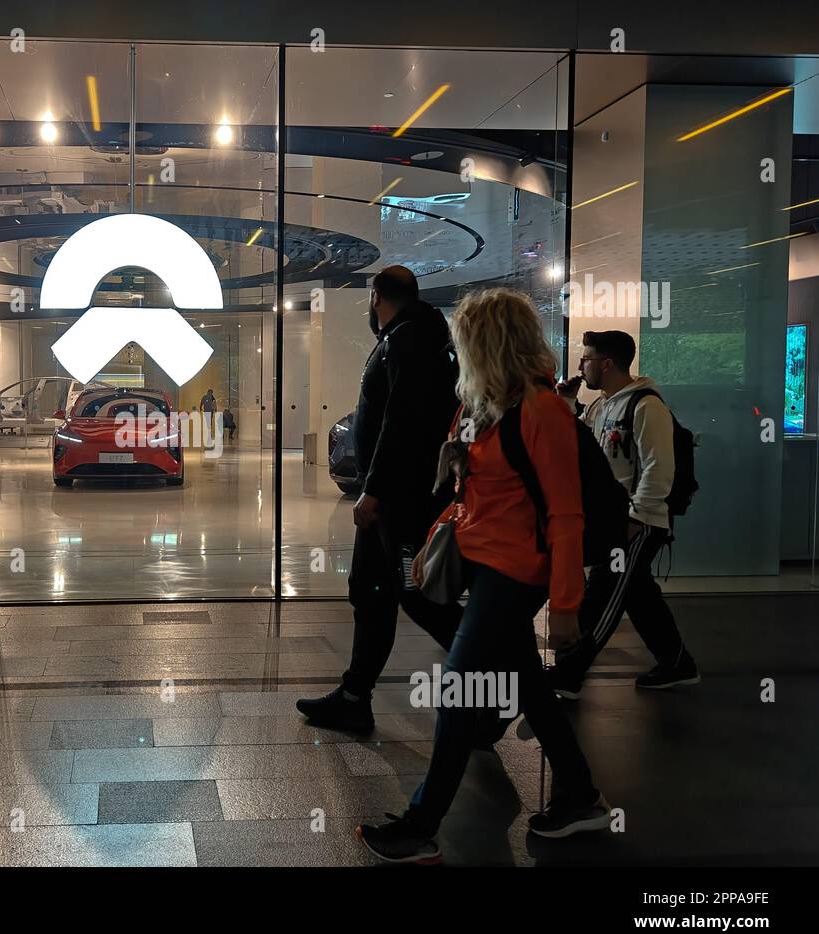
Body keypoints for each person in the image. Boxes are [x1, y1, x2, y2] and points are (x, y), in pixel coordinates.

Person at [358, 289, 609, 863]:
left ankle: (421, 827)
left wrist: (566, 605)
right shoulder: (483, 405)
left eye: (464, 338)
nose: (456, 349)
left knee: (457, 688)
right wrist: (437, 538)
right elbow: (473, 492)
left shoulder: (544, 411)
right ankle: (582, 797)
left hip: (517, 573)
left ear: (487, 342)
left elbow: (566, 514)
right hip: (485, 562)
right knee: (528, 686)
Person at [296, 266, 465, 734]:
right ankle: (354, 695)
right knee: (370, 592)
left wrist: (375, 489)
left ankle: (501, 679)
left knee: (420, 596)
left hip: (401, 500)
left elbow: (401, 421)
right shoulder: (414, 335)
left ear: (376, 297)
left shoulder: (409, 339)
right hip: (392, 498)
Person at [551, 331, 699, 697]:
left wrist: (636, 519)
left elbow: (658, 467)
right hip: (616, 519)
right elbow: (581, 449)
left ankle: (570, 672)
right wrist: (568, 403)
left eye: (586, 359)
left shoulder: (646, 406)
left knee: (605, 590)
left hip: (638, 522)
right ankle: (677, 662)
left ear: (607, 363)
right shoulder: (602, 406)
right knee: (637, 593)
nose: (581, 366)